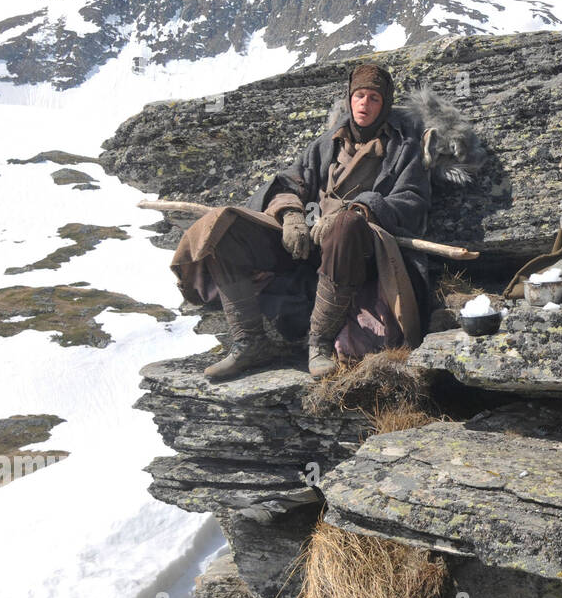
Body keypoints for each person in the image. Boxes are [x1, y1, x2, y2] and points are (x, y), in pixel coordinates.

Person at [171, 63, 432, 380]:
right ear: (349, 99)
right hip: (310, 242)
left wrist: (358, 210)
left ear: (385, 104)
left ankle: (319, 343)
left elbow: (412, 200)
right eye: (359, 95)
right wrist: (291, 215)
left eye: (374, 98)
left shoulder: (403, 149)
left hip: (358, 249)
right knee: (225, 225)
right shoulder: (328, 143)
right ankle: (249, 342)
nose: (364, 104)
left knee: (345, 227)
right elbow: (290, 182)